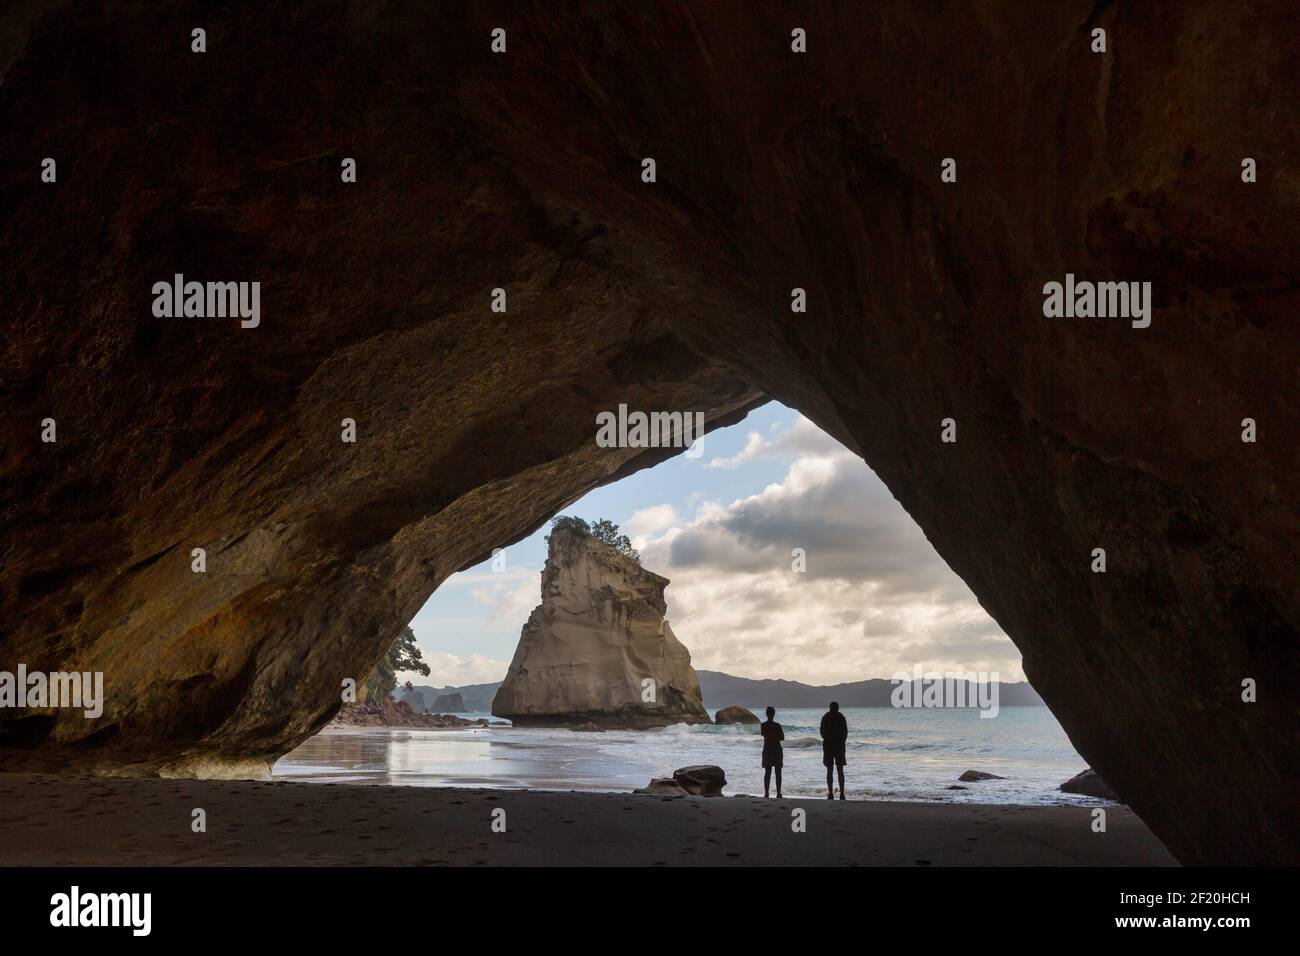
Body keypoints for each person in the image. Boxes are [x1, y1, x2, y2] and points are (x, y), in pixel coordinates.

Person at [819, 701, 848, 799]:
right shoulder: (841, 717)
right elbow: (845, 732)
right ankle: (842, 794)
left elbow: (822, 733)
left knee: (829, 770)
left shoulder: (825, 717)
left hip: (828, 746)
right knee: (840, 770)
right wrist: (842, 741)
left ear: (830, 708)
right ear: (838, 708)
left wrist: (828, 739)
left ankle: (831, 793)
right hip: (839, 746)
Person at [760, 706, 784, 798]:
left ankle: (766, 793)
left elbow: (763, 734)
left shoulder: (763, 725)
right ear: (774, 714)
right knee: (778, 772)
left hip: (767, 749)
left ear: (766, 714)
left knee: (767, 772)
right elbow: (782, 737)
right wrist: (775, 735)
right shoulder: (777, 725)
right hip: (777, 749)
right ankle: (778, 793)